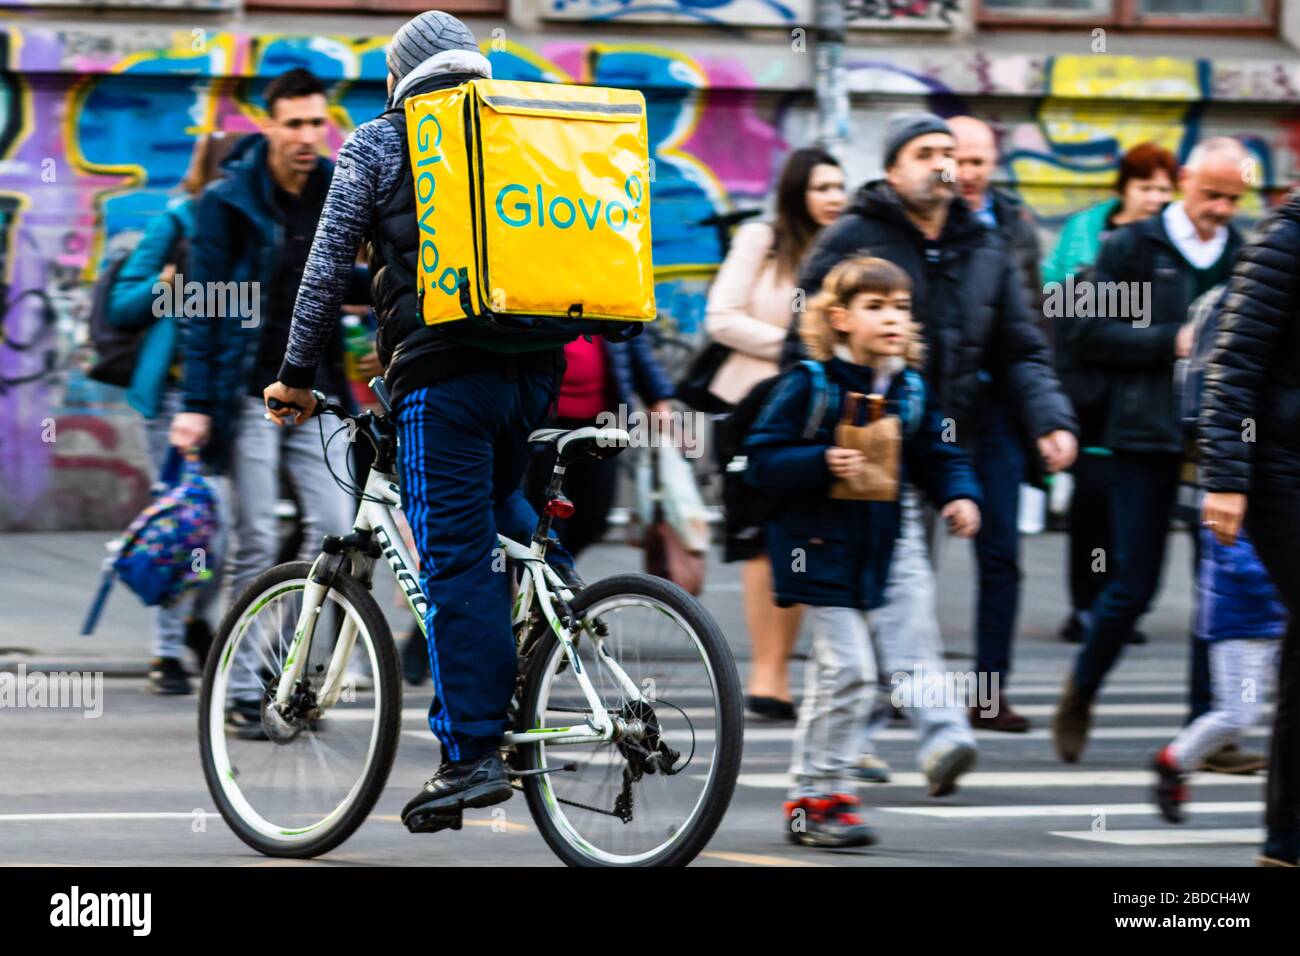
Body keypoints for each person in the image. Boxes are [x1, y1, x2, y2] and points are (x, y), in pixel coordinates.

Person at [260, 11, 584, 832]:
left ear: (401, 78)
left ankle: (470, 754)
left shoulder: (380, 139)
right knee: (500, 505)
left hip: (445, 376)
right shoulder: (520, 122)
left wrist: (296, 377)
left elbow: (326, 265)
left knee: (453, 564)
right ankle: (572, 613)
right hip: (539, 370)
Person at [781, 112, 1078, 732]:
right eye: (925, 152)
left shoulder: (986, 246)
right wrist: (815, 430)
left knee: (925, 576)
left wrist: (1049, 419)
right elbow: (803, 340)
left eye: (949, 151)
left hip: (950, 434)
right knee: (869, 579)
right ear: (893, 169)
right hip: (862, 442)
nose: (942, 163)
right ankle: (851, 727)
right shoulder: (854, 237)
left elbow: (1020, 346)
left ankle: (941, 717)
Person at [746, 256, 981, 848]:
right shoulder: (811, 383)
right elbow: (761, 459)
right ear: (840, 318)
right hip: (817, 549)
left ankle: (828, 793)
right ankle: (811, 796)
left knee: (851, 675)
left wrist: (959, 495)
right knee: (849, 670)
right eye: (876, 307)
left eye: (901, 308)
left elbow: (937, 453)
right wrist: (821, 462)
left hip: (885, 545)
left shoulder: (909, 388)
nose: (893, 319)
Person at [169, 68, 364, 735]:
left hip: (315, 392)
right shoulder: (228, 201)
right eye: (296, 123)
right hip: (249, 389)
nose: (309, 136)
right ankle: (242, 686)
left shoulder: (337, 185)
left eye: (318, 122)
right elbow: (202, 309)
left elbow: (351, 272)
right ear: (270, 124)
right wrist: (196, 405)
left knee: (335, 533)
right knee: (253, 541)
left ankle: (291, 677)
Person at [1053, 137, 1249, 765]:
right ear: (1186, 178)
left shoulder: (1243, 256)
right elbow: (1082, 328)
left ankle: (1206, 729)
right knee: (1133, 584)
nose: (1219, 208)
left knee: (1212, 589)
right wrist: (1172, 340)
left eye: (1232, 199)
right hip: (1143, 435)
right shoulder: (1131, 246)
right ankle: (1081, 689)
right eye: (1211, 194)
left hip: (1211, 442)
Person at [705, 146, 846, 720]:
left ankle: (783, 672)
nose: (834, 198)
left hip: (816, 415)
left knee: (802, 537)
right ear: (796, 194)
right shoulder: (762, 240)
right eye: (821, 188)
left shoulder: (847, 249)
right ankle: (769, 676)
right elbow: (721, 317)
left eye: (840, 187)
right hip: (752, 409)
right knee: (760, 541)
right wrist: (796, 348)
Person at [106, 132, 237, 695]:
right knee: (183, 528)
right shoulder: (177, 224)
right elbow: (121, 304)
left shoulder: (248, 229)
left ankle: (195, 618)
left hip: (227, 404)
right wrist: (169, 287)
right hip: (172, 406)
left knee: (225, 535)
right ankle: (166, 652)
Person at [1199, 187, 1300, 866]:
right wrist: (1228, 478)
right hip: (1281, 473)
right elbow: (1233, 364)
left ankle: (1285, 839)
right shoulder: (1286, 237)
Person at [1044, 142, 1178, 647]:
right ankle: (1085, 605)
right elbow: (1065, 308)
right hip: (1093, 390)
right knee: (1093, 503)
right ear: (1125, 187)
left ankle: (1122, 605)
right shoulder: (1088, 231)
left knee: (1141, 510)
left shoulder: (1173, 239)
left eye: (1164, 189)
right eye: (1146, 187)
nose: (1155, 198)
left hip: (1147, 396)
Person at [1152, 526, 1283, 824]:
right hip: (1243, 628)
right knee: (1240, 714)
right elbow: (1238, 561)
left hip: (1280, 622)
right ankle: (1174, 761)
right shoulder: (1229, 493)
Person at [523, 336, 673, 558]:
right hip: (542, 422)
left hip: (598, 422)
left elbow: (632, 340)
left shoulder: (611, 301)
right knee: (545, 514)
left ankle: (557, 570)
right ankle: (546, 573)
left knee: (594, 515)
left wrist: (657, 398)